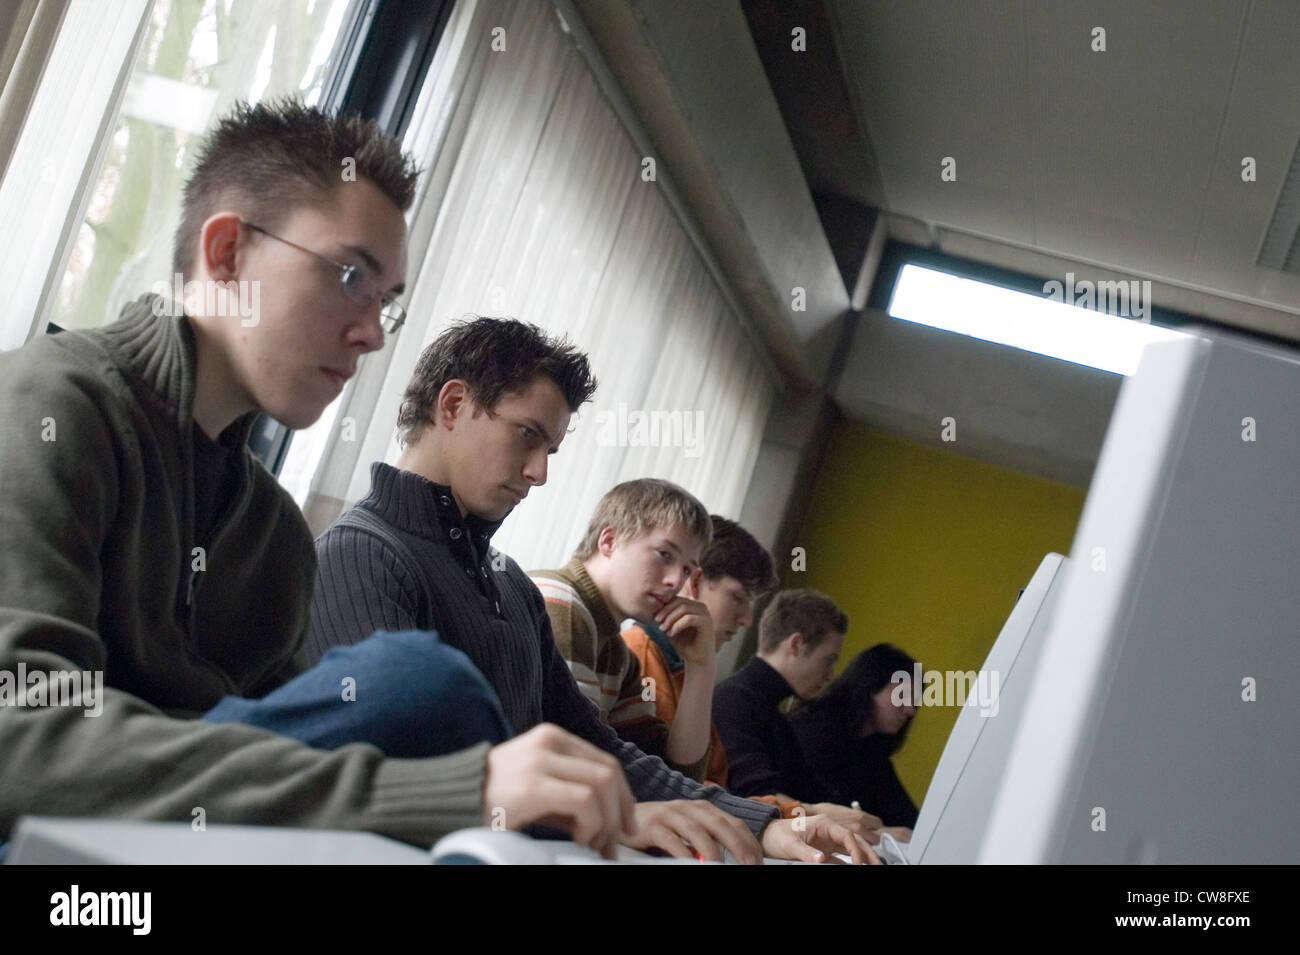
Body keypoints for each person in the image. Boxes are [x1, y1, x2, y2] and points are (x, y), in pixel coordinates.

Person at [0, 99, 641, 855]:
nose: (371, 332)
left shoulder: (274, 534)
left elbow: (292, 753)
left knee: (421, 696)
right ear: (227, 253)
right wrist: (453, 791)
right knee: (421, 684)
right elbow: (20, 729)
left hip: (167, 844)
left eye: (385, 303)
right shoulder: (55, 404)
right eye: (349, 276)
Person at [306, 318, 875, 863]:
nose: (539, 473)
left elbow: (590, 743)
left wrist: (762, 824)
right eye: (527, 435)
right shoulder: (363, 555)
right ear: (452, 406)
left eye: (550, 450)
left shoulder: (507, 580)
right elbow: (401, 770)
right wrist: (612, 816)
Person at [529, 479, 720, 779]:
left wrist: (701, 667)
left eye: (686, 569)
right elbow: (570, 758)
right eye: (664, 554)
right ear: (609, 542)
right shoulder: (559, 603)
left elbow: (673, 776)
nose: (675, 581)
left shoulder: (618, 656)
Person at [618, 515, 777, 787]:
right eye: (738, 598)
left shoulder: (685, 670)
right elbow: (675, 787)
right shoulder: (639, 656)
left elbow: (712, 784)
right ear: (694, 582)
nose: (746, 620)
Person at [712, 588, 846, 802]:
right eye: (828, 660)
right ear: (796, 644)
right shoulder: (733, 703)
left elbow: (814, 792)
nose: (830, 675)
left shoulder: (769, 712)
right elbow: (760, 796)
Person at [789, 644, 920, 833]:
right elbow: (814, 809)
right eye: (903, 696)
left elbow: (908, 819)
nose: (910, 711)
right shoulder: (814, 732)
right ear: (871, 686)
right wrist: (880, 833)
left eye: (914, 702)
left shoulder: (872, 752)